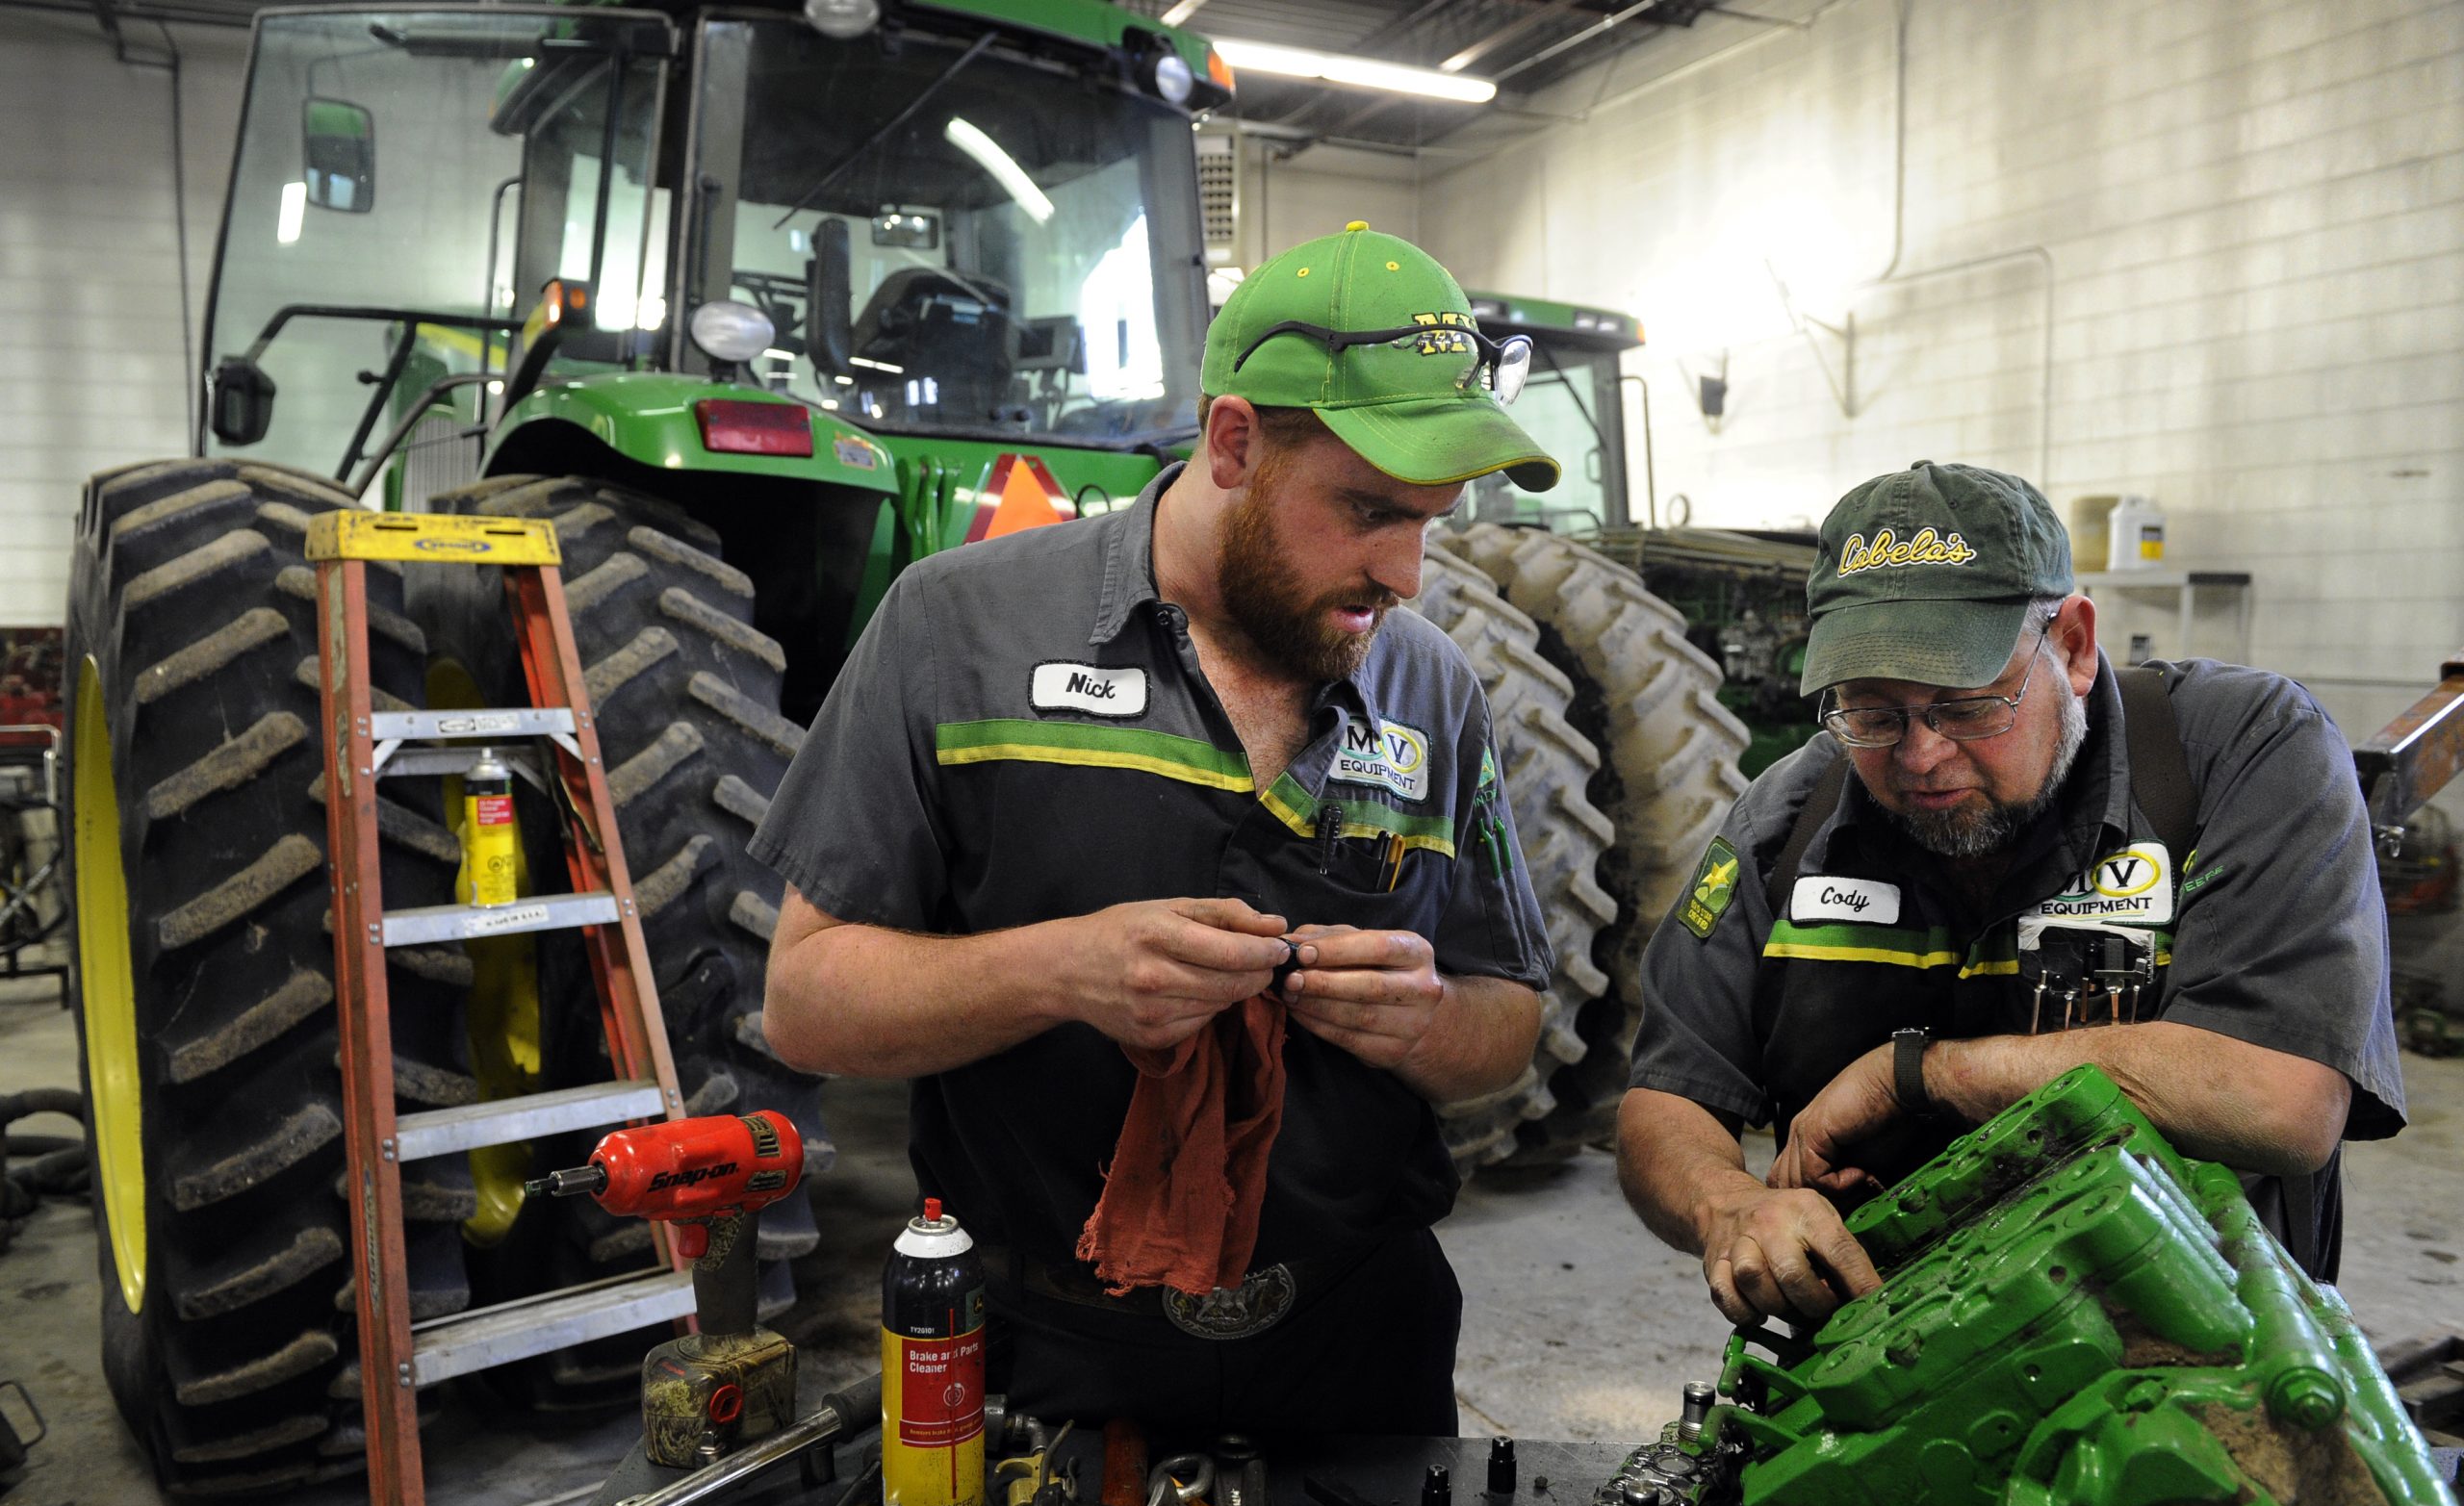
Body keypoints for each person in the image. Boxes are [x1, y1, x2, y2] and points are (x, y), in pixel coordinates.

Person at [753, 223, 1557, 1435]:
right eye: (1366, 509)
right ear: (1233, 441)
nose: (1408, 572)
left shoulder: (1433, 688)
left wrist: (1431, 1021)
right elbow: (805, 1002)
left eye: (1433, 519)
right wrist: (1060, 970)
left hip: (1361, 1344)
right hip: (1052, 1358)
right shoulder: (954, 630)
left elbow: (1508, 1025)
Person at [1617, 460, 2401, 1328]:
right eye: (1872, 714)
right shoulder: (1787, 822)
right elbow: (1668, 1096)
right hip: (1883, 1379)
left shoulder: (2237, 756)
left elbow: (2281, 1102)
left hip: (2195, 1374)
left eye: (1968, 705)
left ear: (2071, 644)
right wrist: (1728, 1204)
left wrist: (1913, 1077)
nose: (1920, 756)